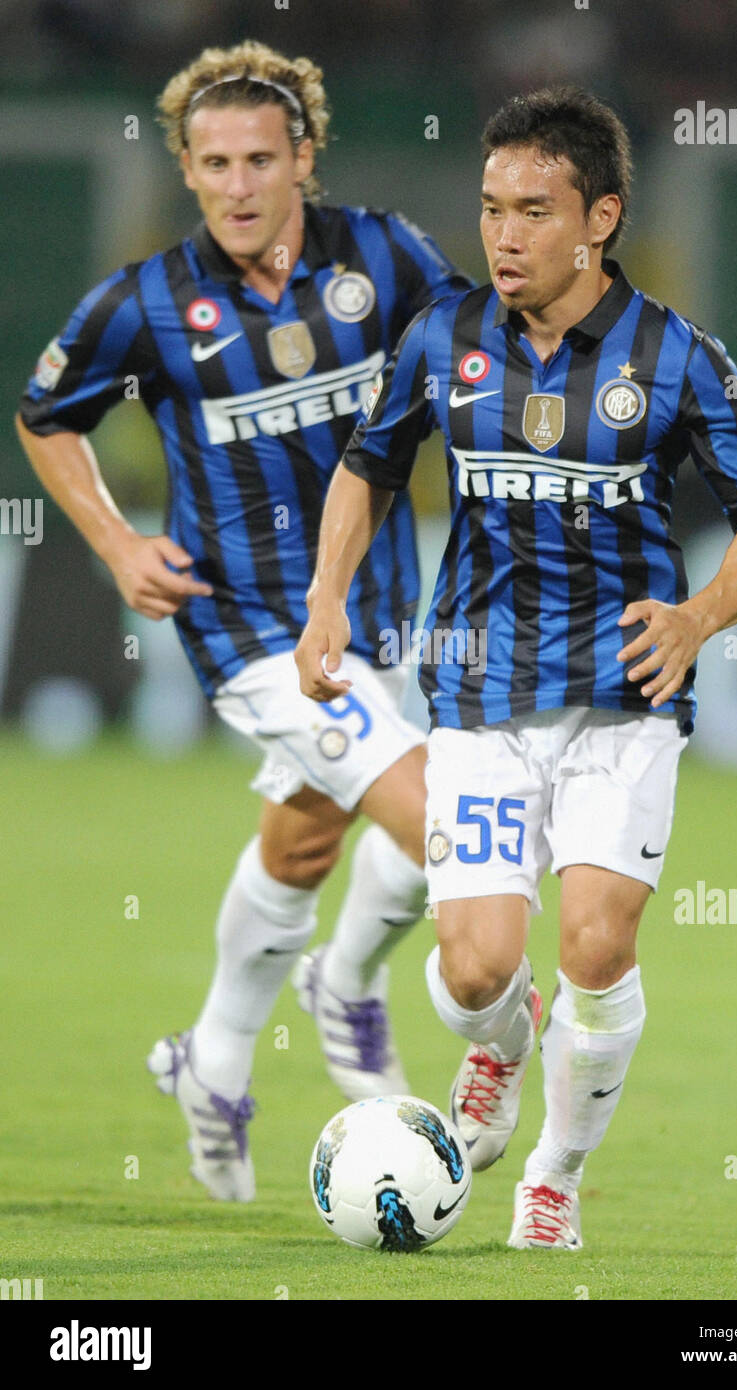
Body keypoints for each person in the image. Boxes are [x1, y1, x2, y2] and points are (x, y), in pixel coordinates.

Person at [295, 87, 737, 1249]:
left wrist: (694, 617)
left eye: (534, 210)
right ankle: (500, 1042)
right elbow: (368, 466)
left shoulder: (672, 357)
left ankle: (554, 1178)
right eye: (489, 208)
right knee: (475, 972)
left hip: (623, 703)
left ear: (601, 218)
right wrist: (326, 595)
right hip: (478, 698)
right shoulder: (442, 337)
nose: (504, 234)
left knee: (594, 943)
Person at [16, 40, 472, 1203]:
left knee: (312, 838)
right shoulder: (147, 302)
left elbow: (465, 373)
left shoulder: (381, 254)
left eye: (258, 158)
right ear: (183, 167)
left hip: (372, 613)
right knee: (450, 827)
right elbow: (43, 414)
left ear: (302, 158)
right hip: (250, 635)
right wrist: (117, 541)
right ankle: (363, 989)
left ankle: (214, 1060)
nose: (235, 183)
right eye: (212, 162)